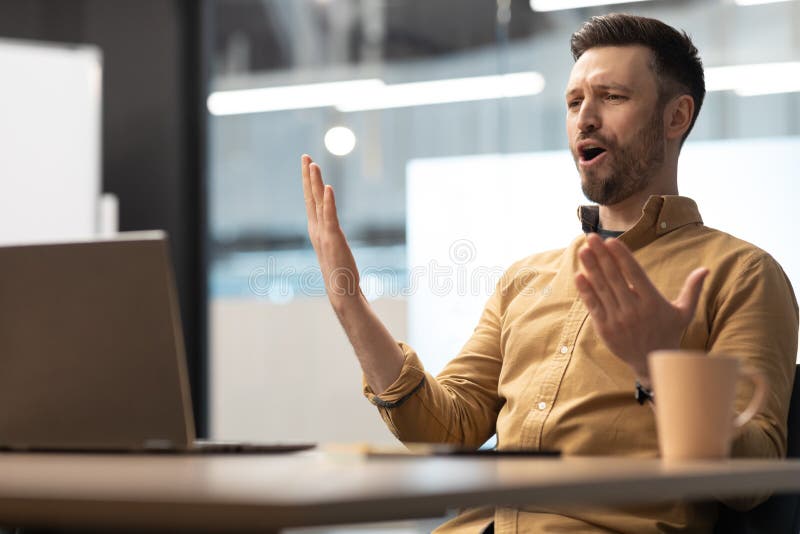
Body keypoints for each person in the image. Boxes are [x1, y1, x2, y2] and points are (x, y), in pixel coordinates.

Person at [299, 13, 798, 534]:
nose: (585, 118)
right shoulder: (525, 279)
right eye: (574, 101)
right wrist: (349, 304)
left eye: (613, 97)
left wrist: (662, 369)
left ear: (677, 117)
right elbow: (444, 426)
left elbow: (753, 479)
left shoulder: (742, 274)